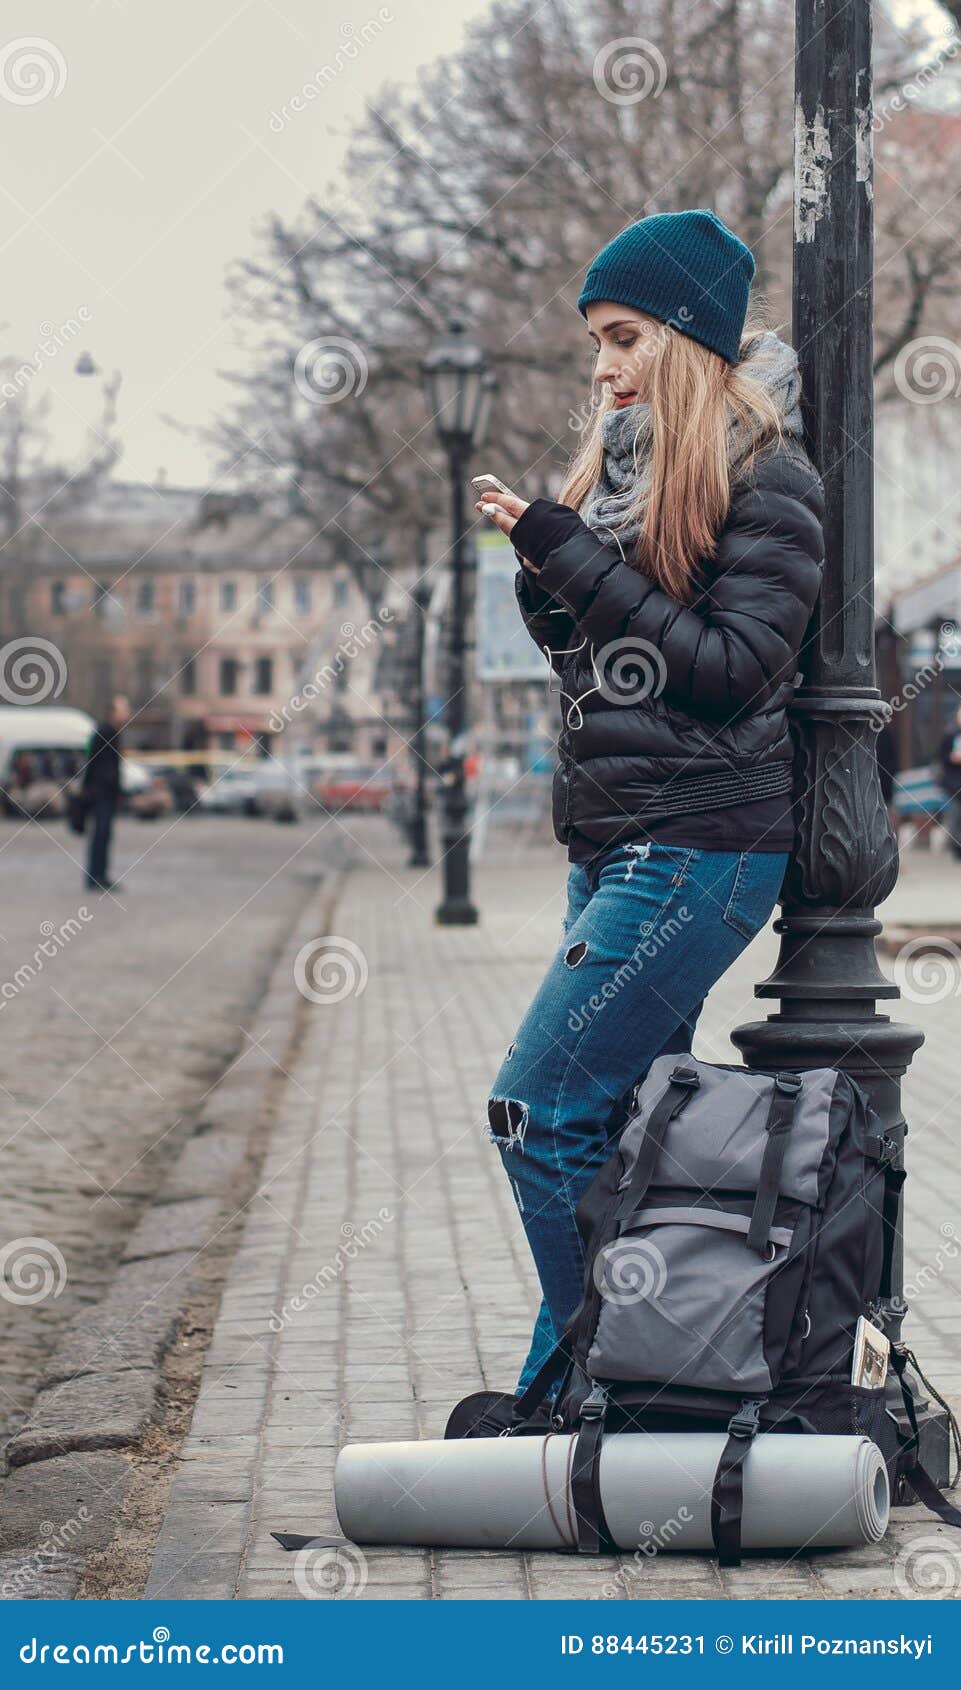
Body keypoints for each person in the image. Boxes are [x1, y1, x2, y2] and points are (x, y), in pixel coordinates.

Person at [475, 210, 824, 1393]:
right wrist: (552, 566)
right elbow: (612, 667)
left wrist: (572, 560)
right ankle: (565, 1396)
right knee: (621, 1135)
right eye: (595, 342)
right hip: (616, 845)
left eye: (623, 337)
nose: (603, 367)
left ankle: (608, 1380)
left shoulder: (768, 479)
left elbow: (731, 672)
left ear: (682, 337)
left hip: (700, 850)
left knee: (539, 1107)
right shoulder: (623, 478)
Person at [81, 693, 130, 891]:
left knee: (104, 835)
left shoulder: (112, 732)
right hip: (101, 793)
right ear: (113, 711)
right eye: (124, 709)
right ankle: (96, 876)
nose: (127, 713)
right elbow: (93, 764)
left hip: (106, 793)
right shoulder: (104, 732)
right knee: (101, 834)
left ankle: (99, 875)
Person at [939, 704, 961, 859]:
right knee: (955, 815)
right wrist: (952, 758)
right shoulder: (950, 733)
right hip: (953, 783)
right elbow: (941, 756)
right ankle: (956, 847)